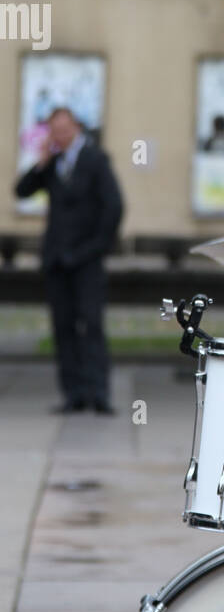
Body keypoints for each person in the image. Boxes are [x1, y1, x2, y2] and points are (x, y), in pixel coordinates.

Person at [14, 106, 124, 415]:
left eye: (64, 130)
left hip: (87, 260)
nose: (60, 136)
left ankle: (98, 393)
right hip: (57, 262)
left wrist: (98, 247)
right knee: (63, 328)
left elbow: (113, 208)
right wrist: (41, 164)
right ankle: (74, 393)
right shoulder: (53, 163)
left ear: (76, 127)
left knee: (91, 324)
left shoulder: (96, 159)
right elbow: (21, 191)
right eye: (54, 131)